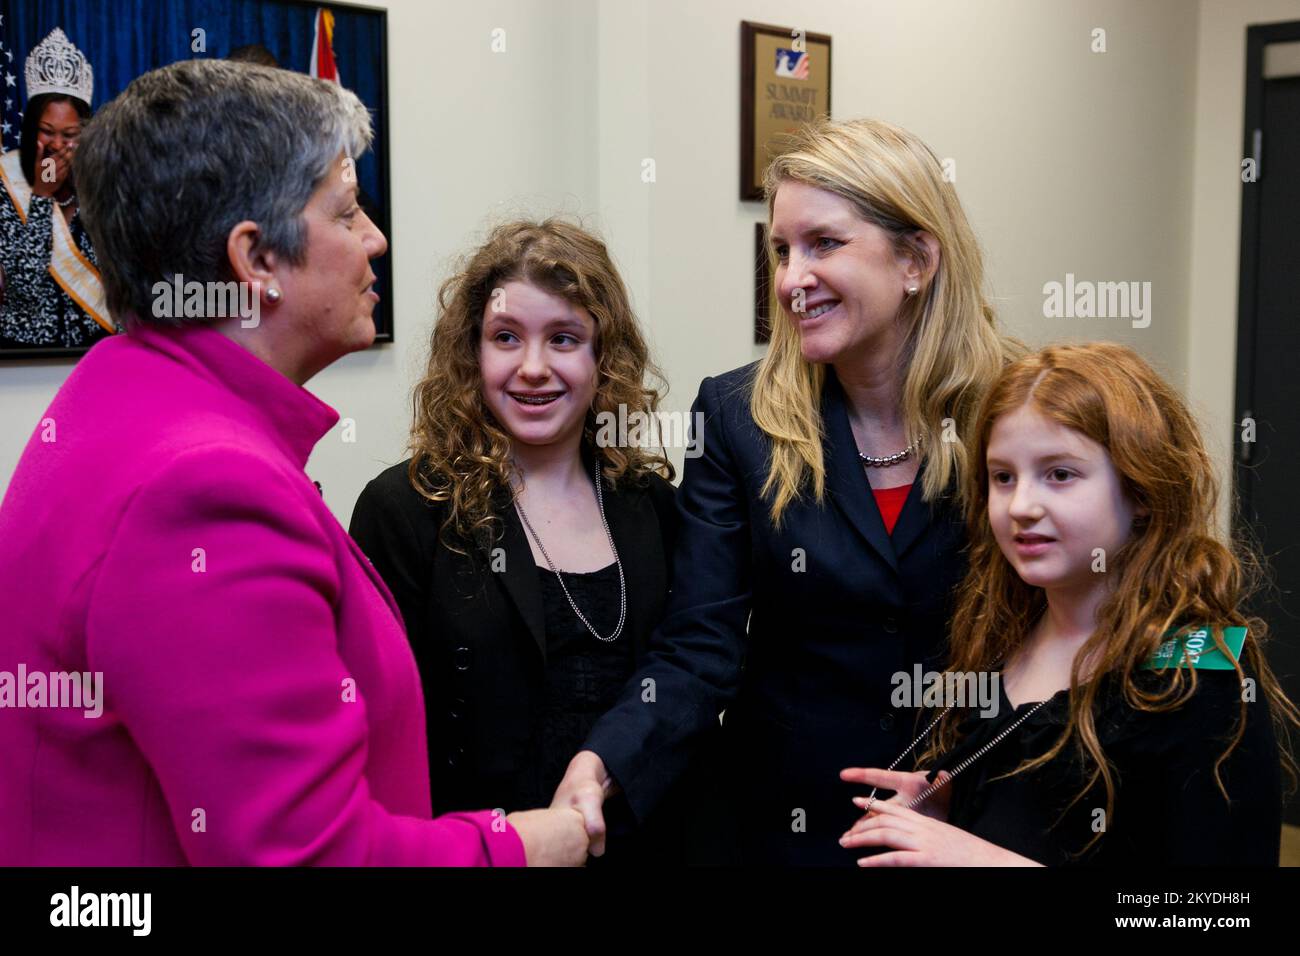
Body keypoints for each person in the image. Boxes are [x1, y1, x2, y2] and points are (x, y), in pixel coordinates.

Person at [0, 59, 586, 866]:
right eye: (346, 213)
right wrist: (518, 845)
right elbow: (307, 857)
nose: (375, 237)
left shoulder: (118, 389)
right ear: (256, 262)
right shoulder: (204, 489)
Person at [552, 118, 1022, 865]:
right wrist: (603, 760)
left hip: (978, 817)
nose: (789, 279)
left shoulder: (1017, 406)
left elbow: (1078, 625)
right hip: (791, 823)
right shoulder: (739, 418)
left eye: (823, 244)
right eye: (780, 250)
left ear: (916, 258)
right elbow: (700, 642)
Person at [840, 342, 1300, 865]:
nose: (1022, 507)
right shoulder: (1001, 637)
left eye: (1060, 474)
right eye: (1003, 477)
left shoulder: (1197, 672)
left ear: (1142, 488)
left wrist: (982, 859)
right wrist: (956, 809)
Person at [350, 219, 714, 863]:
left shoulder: (652, 506)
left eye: (565, 339)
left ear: (605, 359)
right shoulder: (405, 510)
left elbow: (684, 681)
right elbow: (381, 733)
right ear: (472, 353)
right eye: (506, 338)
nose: (534, 368)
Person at [0, 27, 113, 349]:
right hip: (27, 356)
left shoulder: (101, 184)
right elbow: (23, 289)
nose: (57, 146)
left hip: (95, 349)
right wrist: (40, 196)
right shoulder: (6, 184)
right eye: (47, 132)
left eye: (70, 135)